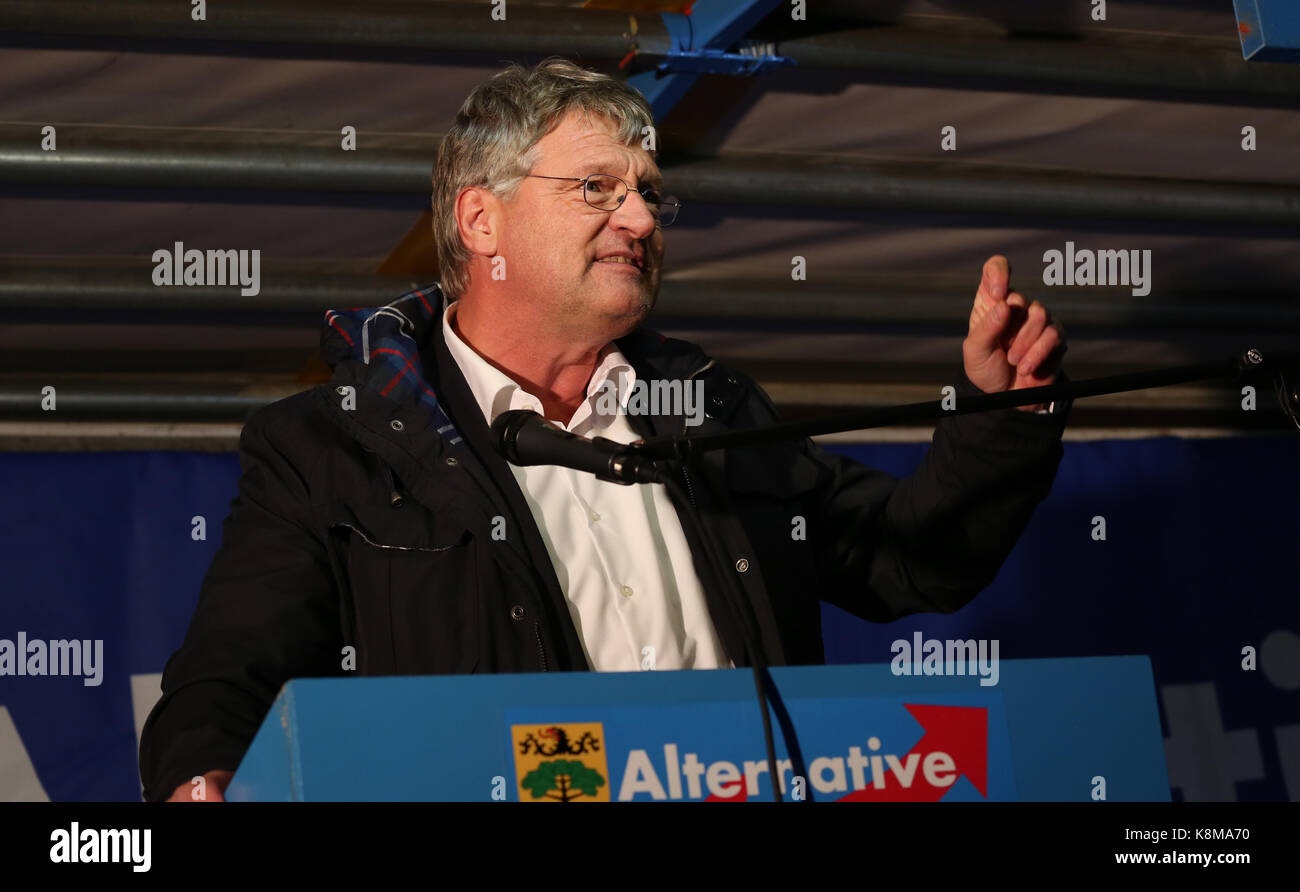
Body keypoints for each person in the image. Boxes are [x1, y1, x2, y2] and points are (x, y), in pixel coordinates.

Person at [139, 58, 1069, 802]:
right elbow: (228, 674)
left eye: (649, 193)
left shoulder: (711, 406)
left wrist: (1001, 415)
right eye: (596, 188)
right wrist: (199, 777)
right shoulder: (333, 447)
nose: (640, 218)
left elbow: (907, 557)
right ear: (481, 220)